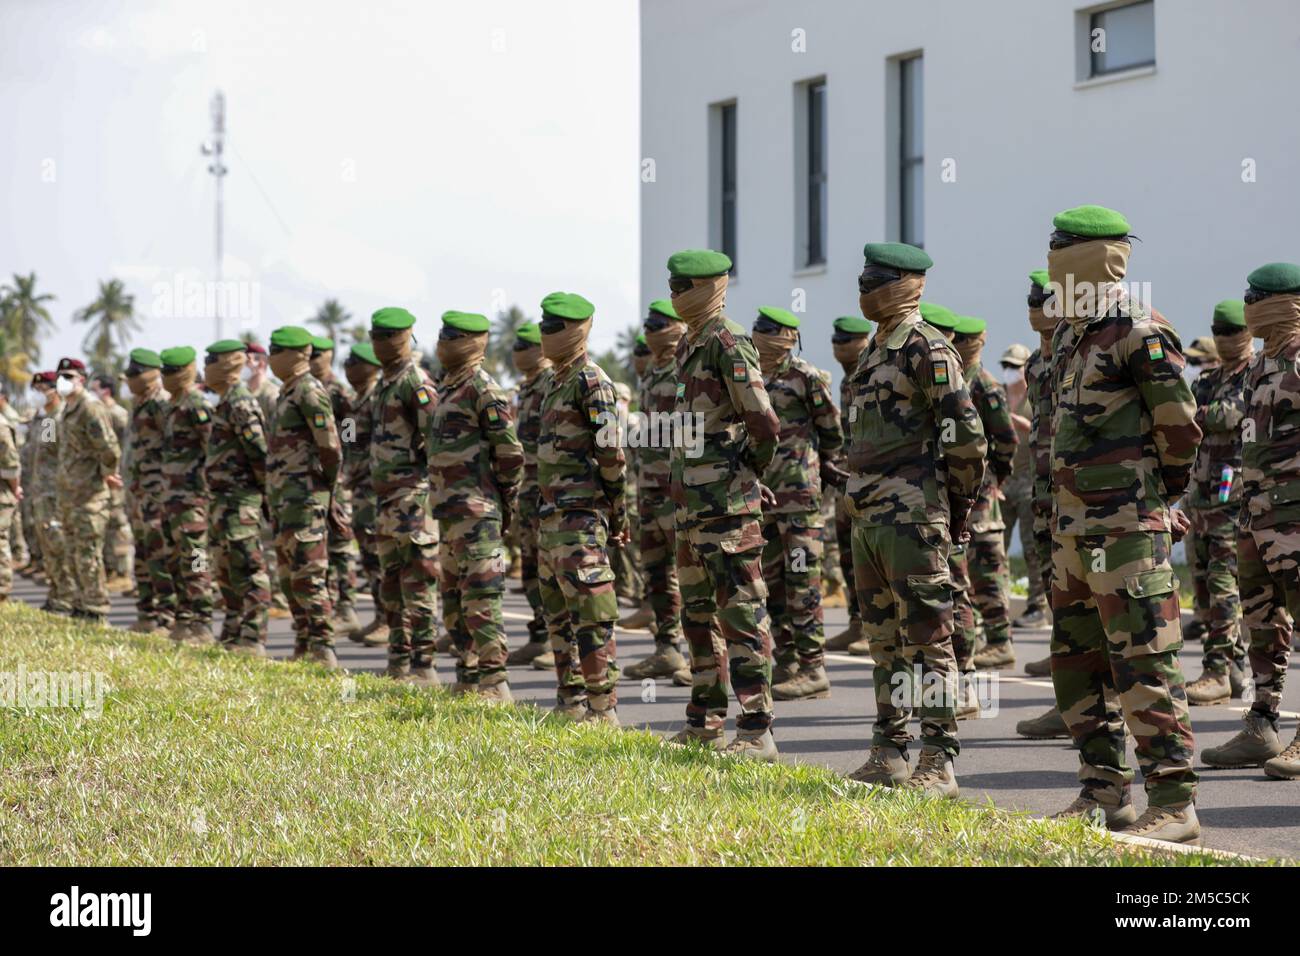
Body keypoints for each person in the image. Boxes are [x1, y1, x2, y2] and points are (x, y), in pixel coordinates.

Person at [1044, 204, 1199, 843]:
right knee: (1076, 664)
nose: (1053, 258)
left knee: (1144, 663)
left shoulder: (1140, 328)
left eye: (1062, 247)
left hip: (1127, 527)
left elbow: (1180, 427)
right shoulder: (1068, 334)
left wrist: (1158, 499)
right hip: (1072, 532)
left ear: (1095, 257)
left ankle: (1174, 801)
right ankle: (1104, 791)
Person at [842, 249, 985, 798]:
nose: (866, 288)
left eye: (878, 281)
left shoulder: (928, 347)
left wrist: (955, 506)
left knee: (928, 640)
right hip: (870, 518)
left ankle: (938, 759)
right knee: (885, 642)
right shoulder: (874, 350)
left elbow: (966, 438)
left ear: (909, 285)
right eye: (863, 280)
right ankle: (889, 750)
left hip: (914, 517)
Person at [662, 250, 781, 759]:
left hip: (727, 511)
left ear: (711, 286)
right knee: (698, 618)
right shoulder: (690, 344)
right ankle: (705, 722)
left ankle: (756, 731)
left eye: (683, 284)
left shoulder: (727, 341)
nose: (675, 293)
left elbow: (764, 423)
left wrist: (746, 473)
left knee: (742, 617)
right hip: (692, 510)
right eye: (671, 285)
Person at [1204, 263, 1300, 780]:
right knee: (1262, 623)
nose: (1247, 306)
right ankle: (1263, 723)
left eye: (1257, 297)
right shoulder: (1263, 363)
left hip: (1296, 517)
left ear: (1286, 303)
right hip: (1256, 514)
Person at [535, 292, 625, 724]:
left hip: (581, 518)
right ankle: (570, 702)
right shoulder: (553, 383)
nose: (545, 334)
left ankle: (602, 709)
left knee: (591, 615)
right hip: (550, 519)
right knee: (558, 616)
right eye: (544, 326)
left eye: (555, 328)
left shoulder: (592, 382)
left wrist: (617, 508)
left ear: (578, 330)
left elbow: (611, 453)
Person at [428, 310, 524, 699]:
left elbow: (511, 453)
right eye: (441, 336)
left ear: (471, 343)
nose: (443, 343)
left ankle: (495, 682)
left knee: (482, 600)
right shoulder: (446, 386)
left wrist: (502, 502)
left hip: (478, 512)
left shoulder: (484, 389)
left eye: (451, 337)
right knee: (453, 602)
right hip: (449, 514)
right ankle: (467, 677)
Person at [752, 305, 844, 700]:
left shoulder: (806, 377)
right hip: (764, 498)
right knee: (770, 582)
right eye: (759, 329)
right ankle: (787, 660)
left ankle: (813, 667)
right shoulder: (751, 376)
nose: (761, 336)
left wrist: (821, 476)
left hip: (800, 498)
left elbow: (832, 433)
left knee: (802, 583)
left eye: (769, 330)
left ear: (789, 337)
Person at [1183, 300, 1251, 705]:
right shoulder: (1208, 379)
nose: (1225, 340)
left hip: (1234, 499)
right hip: (1201, 498)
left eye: (1231, 332)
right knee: (1205, 590)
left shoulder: (1257, 375)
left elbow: (1231, 416)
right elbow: (1184, 415)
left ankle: (1217, 671)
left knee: (1225, 587)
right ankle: (1235, 668)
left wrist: (1199, 414)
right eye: (1219, 332)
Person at [367, 308, 441, 682]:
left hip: (413, 500)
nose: (380, 343)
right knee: (391, 585)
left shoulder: (416, 382)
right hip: (387, 502)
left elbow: (437, 441)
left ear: (404, 338)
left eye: (387, 336)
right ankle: (398, 662)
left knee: (419, 585)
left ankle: (424, 665)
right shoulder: (385, 382)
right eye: (376, 336)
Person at [622, 300, 690, 683]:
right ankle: (667, 648)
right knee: (658, 573)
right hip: (649, 486)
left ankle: (709, 661)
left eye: (658, 323)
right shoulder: (652, 372)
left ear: (677, 326)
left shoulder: (687, 367)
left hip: (677, 489)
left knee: (692, 575)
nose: (650, 329)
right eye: (648, 323)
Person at [266, 325, 343, 668]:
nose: (270, 358)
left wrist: (324, 489)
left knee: (310, 575)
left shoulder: (310, 390)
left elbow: (330, 446)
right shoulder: (288, 391)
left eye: (275, 350)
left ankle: (323, 648)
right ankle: (303, 643)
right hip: (285, 500)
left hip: (306, 498)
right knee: (288, 576)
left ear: (296, 354)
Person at [952, 317, 1018, 672]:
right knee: (967, 567)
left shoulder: (985, 384)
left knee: (988, 566)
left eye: (965, 338)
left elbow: (1006, 439)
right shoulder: (953, 379)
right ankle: (977, 637)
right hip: (961, 492)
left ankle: (1000, 641)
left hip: (983, 491)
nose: (960, 344)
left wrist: (996, 477)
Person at [203, 340, 271, 653]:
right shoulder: (225, 401)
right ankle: (232, 632)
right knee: (226, 568)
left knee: (248, 568)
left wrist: (261, 496)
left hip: (240, 500)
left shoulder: (241, 402)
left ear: (229, 363)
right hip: (222, 502)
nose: (206, 367)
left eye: (212, 360)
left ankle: (253, 637)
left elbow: (259, 453)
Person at [54, 357, 122, 624]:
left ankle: (96, 609)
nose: (63, 381)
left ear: (81, 379)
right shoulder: (63, 410)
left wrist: (108, 473)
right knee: (72, 553)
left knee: (89, 554)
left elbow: (108, 447)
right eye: (61, 376)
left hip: (90, 496)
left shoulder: (90, 408)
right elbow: (49, 448)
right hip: (67, 494)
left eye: (69, 376)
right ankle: (81, 605)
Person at [506, 321, 555, 666]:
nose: (517, 352)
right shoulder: (527, 387)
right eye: (516, 346)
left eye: (524, 345)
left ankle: (558, 640)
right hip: (527, 488)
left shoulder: (552, 383)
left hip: (549, 490)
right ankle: (540, 635)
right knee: (530, 568)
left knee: (552, 569)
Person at [160, 346, 215, 644]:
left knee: (195, 560)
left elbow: (213, 449)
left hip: (193, 499)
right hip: (171, 498)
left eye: (171, 372)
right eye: (163, 372)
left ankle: (202, 624)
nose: (166, 378)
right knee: (175, 561)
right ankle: (184, 620)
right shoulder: (171, 405)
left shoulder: (197, 404)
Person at [825, 316, 872, 653]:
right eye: (836, 340)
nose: (840, 346)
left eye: (847, 340)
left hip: (873, 480)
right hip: (847, 479)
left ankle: (875, 625)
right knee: (847, 553)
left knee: (870, 554)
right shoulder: (845, 382)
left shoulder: (872, 372)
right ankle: (858, 622)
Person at [311, 335, 361, 639]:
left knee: (341, 544)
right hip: (314, 477)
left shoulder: (337, 390)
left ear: (329, 355)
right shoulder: (308, 387)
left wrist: (346, 463)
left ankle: (347, 608)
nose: (313, 358)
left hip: (337, 476)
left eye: (318, 353)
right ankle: (329, 605)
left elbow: (350, 430)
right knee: (321, 543)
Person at [123, 349, 176, 634]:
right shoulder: (139, 403)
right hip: (140, 491)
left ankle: (167, 616)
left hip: (159, 492)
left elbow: (174, 445)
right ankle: (147, 613)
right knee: (143, 553)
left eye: (135, 374)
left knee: (160, 554)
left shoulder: (161, 402)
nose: (130, 380)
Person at [998, 343, 1049, 627]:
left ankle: (1036, 607)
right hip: (1004, 480)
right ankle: (998, 605)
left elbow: (1046, 431)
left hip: (1030, 479)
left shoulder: (1035, 397)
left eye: (1013, 367)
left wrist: (1017, 422)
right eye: (1005, 366)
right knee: (996, 547)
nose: (1008, 372)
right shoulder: (1000, 396)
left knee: (1032, 547)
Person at [341, 341, 387, 646]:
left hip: (376, 489)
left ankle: (389, 620)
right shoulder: (353, 402)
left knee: (379, 555)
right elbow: (348, 443)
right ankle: (381, 615)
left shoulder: (378, 398)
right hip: (359, 488)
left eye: (354, 362)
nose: (348, 366)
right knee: (369, 557)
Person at [28, 371, 72, 615]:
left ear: (55, 390)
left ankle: (66, 593)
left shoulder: (62, 417)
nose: (38, 394)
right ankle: (57, 591)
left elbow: (62, 457)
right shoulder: (46, 419)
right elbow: (44, 455)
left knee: (58, 542)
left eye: (42, 389)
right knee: (48, 544)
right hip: (42, 491)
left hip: (56, 491)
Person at [89, 374, 133, 588]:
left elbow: (124, 448)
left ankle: (122, 571)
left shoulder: (118, 414)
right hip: (93, 480)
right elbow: (47, 448)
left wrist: (118, 473)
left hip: (115, 479)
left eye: (94, 388)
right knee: (105, 526)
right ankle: (111, 569)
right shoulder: (52, 418)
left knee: (117, 524)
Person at [0, 397, 19, 603]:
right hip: (43, 484)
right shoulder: (46, 417)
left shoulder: (51, 419)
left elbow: (11, 462)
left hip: (55, 486)